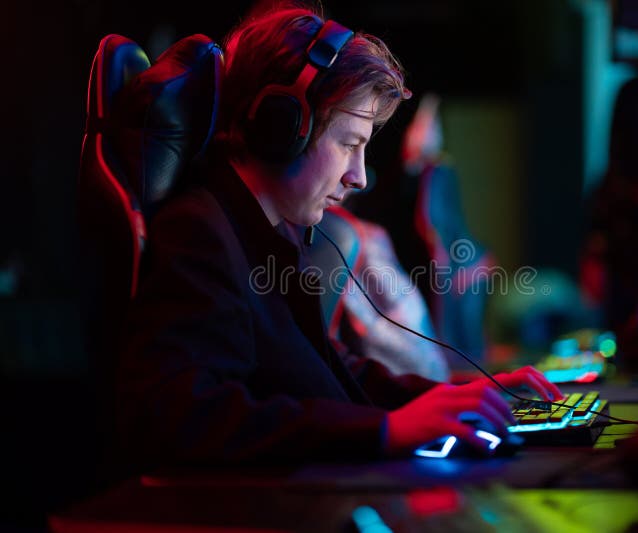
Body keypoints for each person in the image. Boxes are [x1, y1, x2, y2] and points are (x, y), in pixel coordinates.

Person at [116, 2, 562, 468]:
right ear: (282, 126)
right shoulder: (200, 236)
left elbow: (329, 374)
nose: (360, 177)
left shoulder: (263, 233)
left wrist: (456, 396)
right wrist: (387, 431)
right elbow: (183, 417)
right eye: (350, 145)